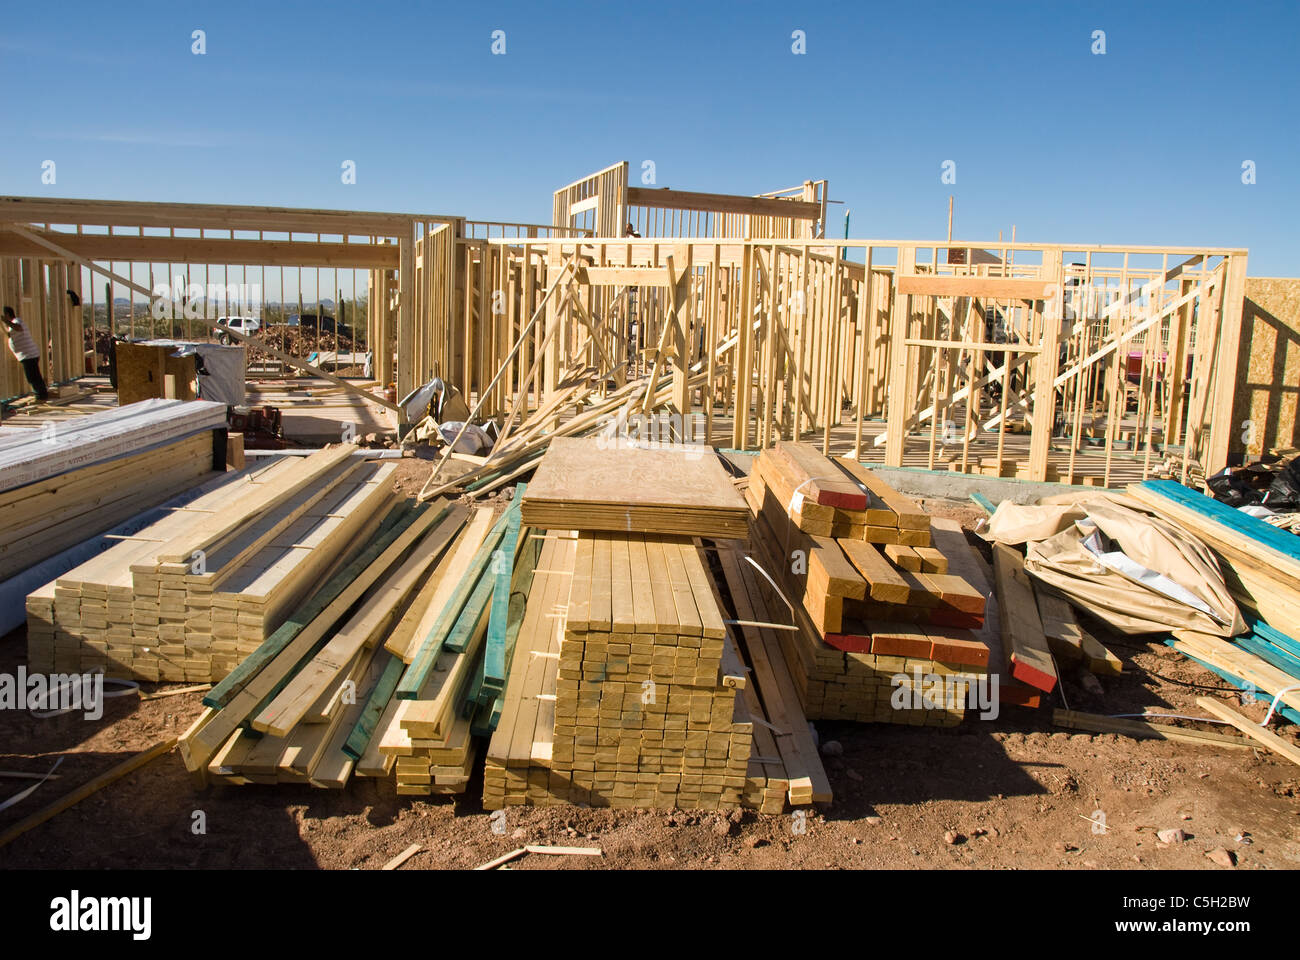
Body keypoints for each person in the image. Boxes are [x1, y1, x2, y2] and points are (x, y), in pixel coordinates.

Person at [3, 305, 48, 402]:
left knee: (32, 377)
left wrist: (5, 321)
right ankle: (42, 394)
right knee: (35, 376)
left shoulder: (17, 321)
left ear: (7, 315)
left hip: (29, 355)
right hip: (29, 354)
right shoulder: (13, 325)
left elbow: (18, 328)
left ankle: (41, 396)